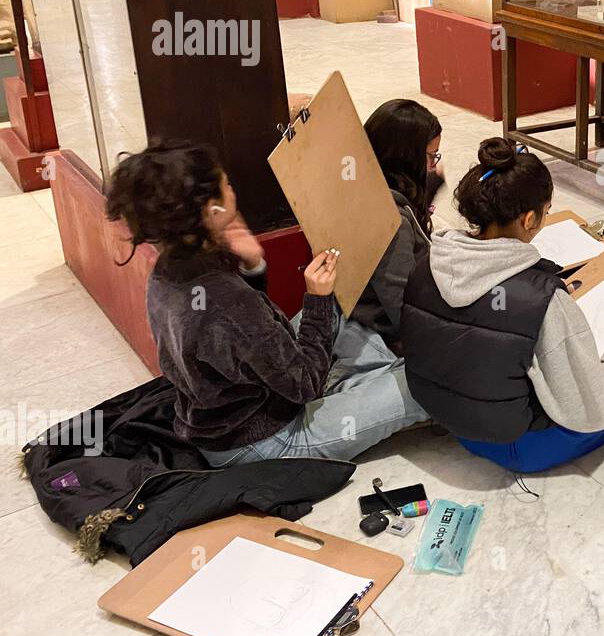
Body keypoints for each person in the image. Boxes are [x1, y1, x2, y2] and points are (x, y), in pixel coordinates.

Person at [401, 138, 604, 473]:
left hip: (453, 426)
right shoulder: (542, 301)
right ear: (529, 219)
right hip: (519, 447)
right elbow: (591, 408)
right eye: (546, 212)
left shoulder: (430, 261)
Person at [106, 141, 429, 466]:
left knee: (344, 314)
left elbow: (235, 338)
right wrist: (317, 300)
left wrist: (252, 267)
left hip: (227, 417)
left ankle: (360, 381)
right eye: (226, 184)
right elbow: (303, 384)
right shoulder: (225, 299)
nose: (232, 189)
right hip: (266, 442)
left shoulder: (167, 270)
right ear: (210, 209)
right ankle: (370, 382)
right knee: (423, 380)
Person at [354, 99, 443, 353]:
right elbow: (403, 308)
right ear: (406, 156)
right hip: (387, 338)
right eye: (430, 156)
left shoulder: (360, 186)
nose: (433, 165)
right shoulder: (391, 223)